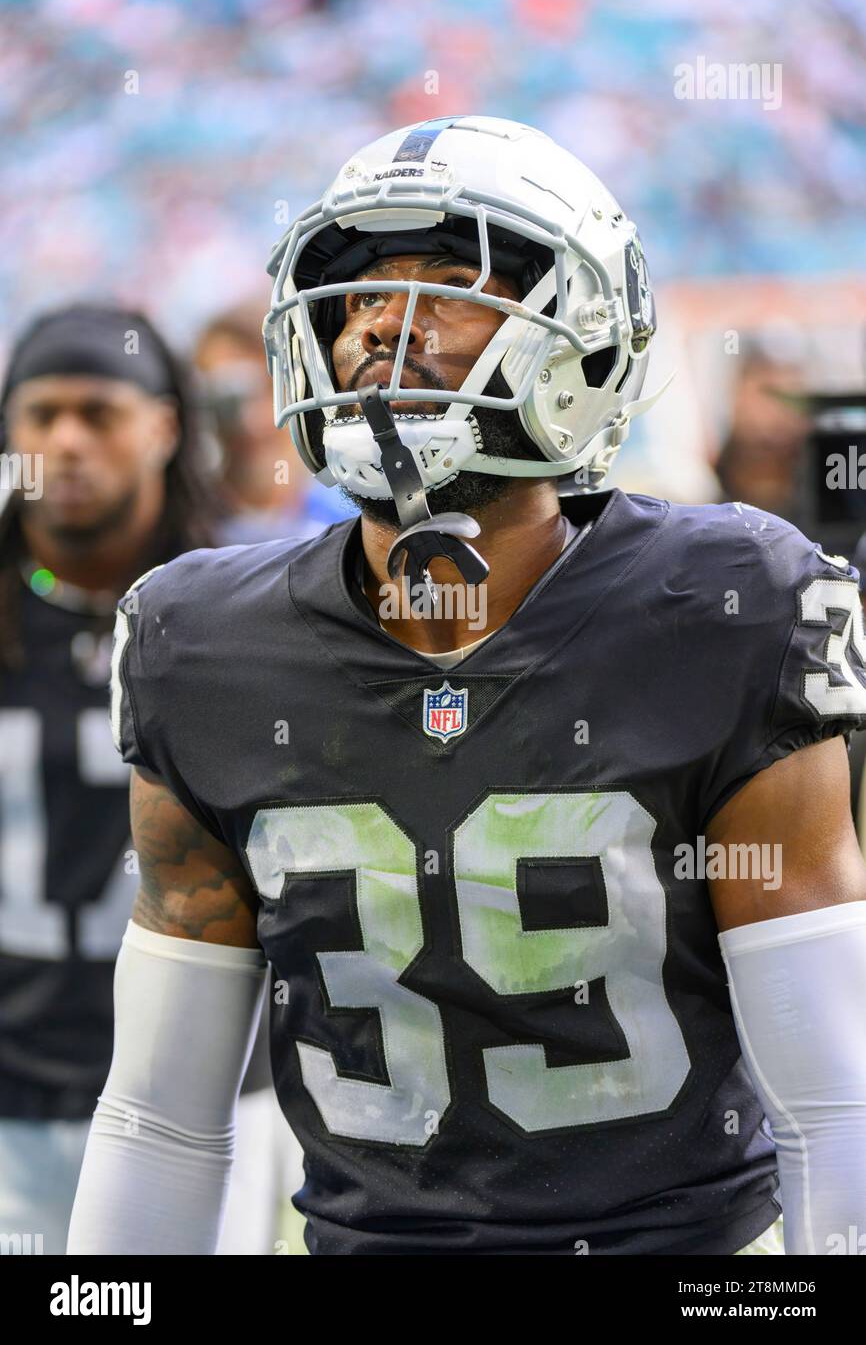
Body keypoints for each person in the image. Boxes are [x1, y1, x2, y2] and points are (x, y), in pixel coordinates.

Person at [69, 118, 866, 1256]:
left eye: (446, 285)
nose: (383, 324)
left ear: (584, 339)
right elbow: (159, 1117)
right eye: (358, 299)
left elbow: (835, 1106)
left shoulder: (721, 608)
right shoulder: (203, 646)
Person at [0, 304, 281, 1255]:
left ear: (164, 427)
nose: (65, 442)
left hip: (206, 1098)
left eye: (97, 413)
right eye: (40, 416)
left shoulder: (245, 616)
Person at [194, 301, 350, 545]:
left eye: (272, 388)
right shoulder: (177, 531)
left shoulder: (358, 520)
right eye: (226, 398)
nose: (250, 420)